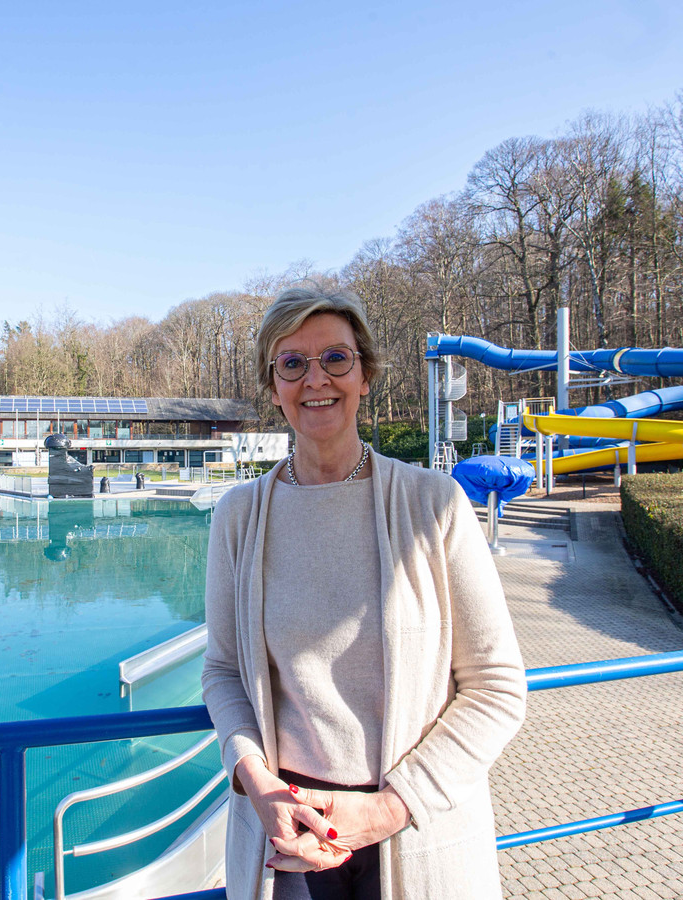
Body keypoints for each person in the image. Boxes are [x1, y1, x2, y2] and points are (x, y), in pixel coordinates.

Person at [201, 284, 527, 900]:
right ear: (274, 387)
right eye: (291, 363)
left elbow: (498, 688)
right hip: (287, 839)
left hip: (413, 830)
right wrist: (254, 780)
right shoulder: (237, 518)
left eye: (335, 358)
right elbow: (222, 673)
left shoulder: (434, 506)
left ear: (365, 374)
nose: (315, 378)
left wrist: (387, 810)